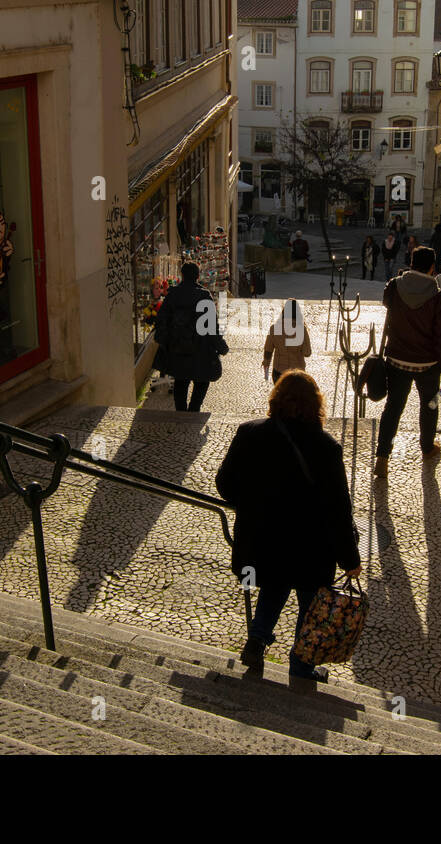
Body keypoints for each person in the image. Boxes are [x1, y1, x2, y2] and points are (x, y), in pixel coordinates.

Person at [216, 370, 362, 684]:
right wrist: (351, 560)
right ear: (315, 405)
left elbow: (224, 484)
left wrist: (254, 501)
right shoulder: (327, 448)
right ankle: (301, 667)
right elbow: (339, 511)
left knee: (274, 585)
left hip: (263, 543)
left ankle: (256, 639)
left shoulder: (249, 433)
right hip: (311, 550)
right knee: (310, 608)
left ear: (277, 399)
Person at [373, 246, 441, 478]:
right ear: (432, 268)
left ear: (410, 263)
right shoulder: (438, 299)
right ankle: (427, 447)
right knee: (430, 405)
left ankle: (382, 456)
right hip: (428, 365)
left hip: (397, 360)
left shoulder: (394, 287)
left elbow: (387, 303)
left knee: (393, 408)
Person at [154, 262, 228, 412]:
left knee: (181, 381)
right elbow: (212, 327)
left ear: (182, 275)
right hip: (201, 349)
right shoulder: (204, 295)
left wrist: (166, 342)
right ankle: (194, 410)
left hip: (178, 349)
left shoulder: (172, 295)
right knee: (202, 381)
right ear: (197, 276)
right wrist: (221, 346)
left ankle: (181, 412)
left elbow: (161, 321)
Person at [263, 299, 312, 383]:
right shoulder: (301, 329)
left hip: (279, 372)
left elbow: (268, 350)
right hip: (297, 373)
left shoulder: (274, 328)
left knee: (281, 395)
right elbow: (307, 353)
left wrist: (266, 363)